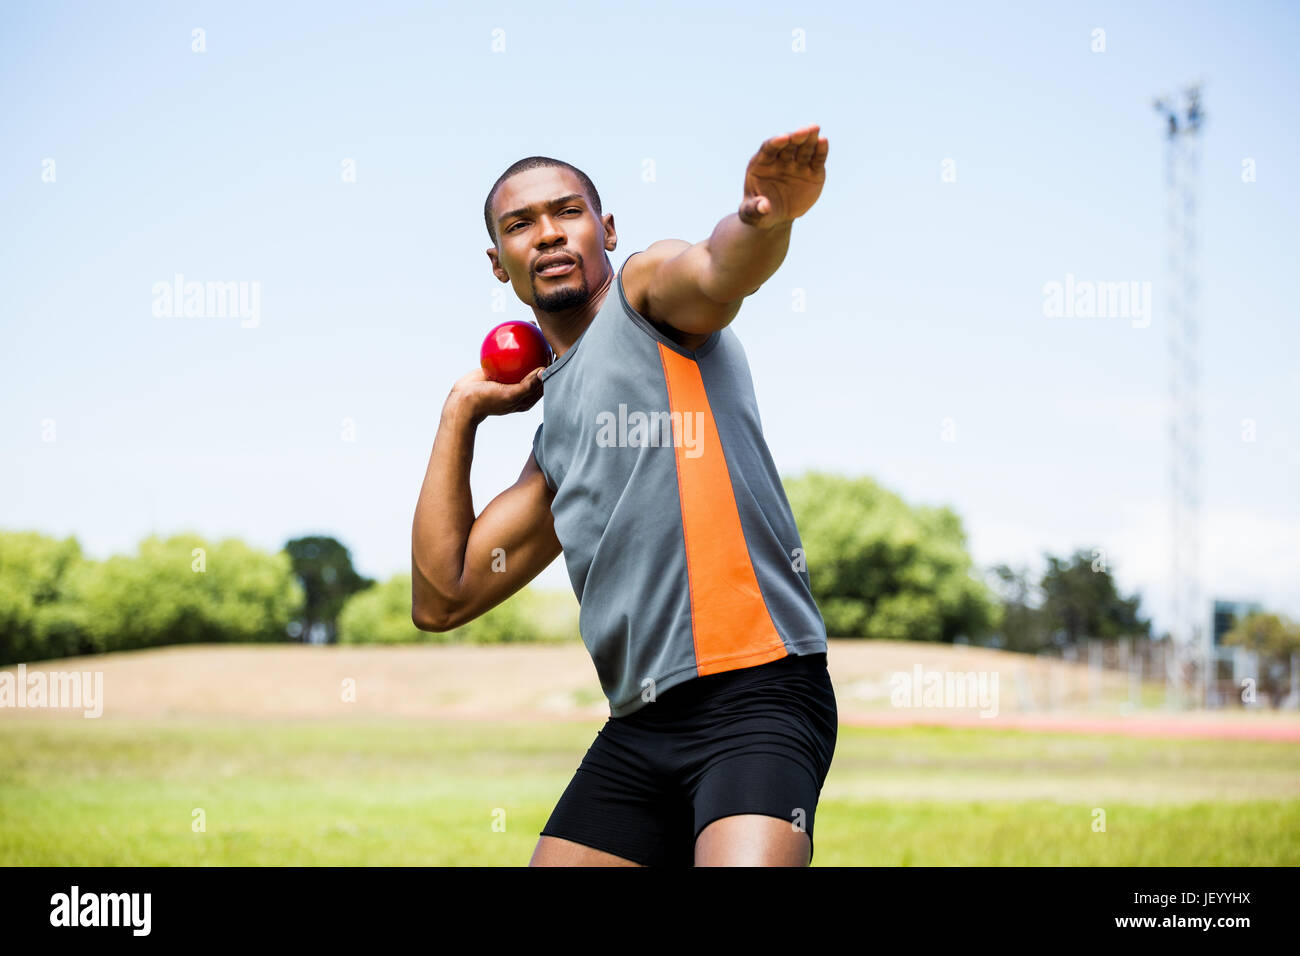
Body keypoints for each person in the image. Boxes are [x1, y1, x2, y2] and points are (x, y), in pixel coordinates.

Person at [412, 125, 836, 866]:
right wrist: (461, 412)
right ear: (498, 263)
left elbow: (713, 272)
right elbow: (442, 597)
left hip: (757, 694)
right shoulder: (554, 449)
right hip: (640, 726)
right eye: (520, 224)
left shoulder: (645, 297)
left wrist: (764, 219)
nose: (546, 234)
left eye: (567, 212)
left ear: (605, 228)